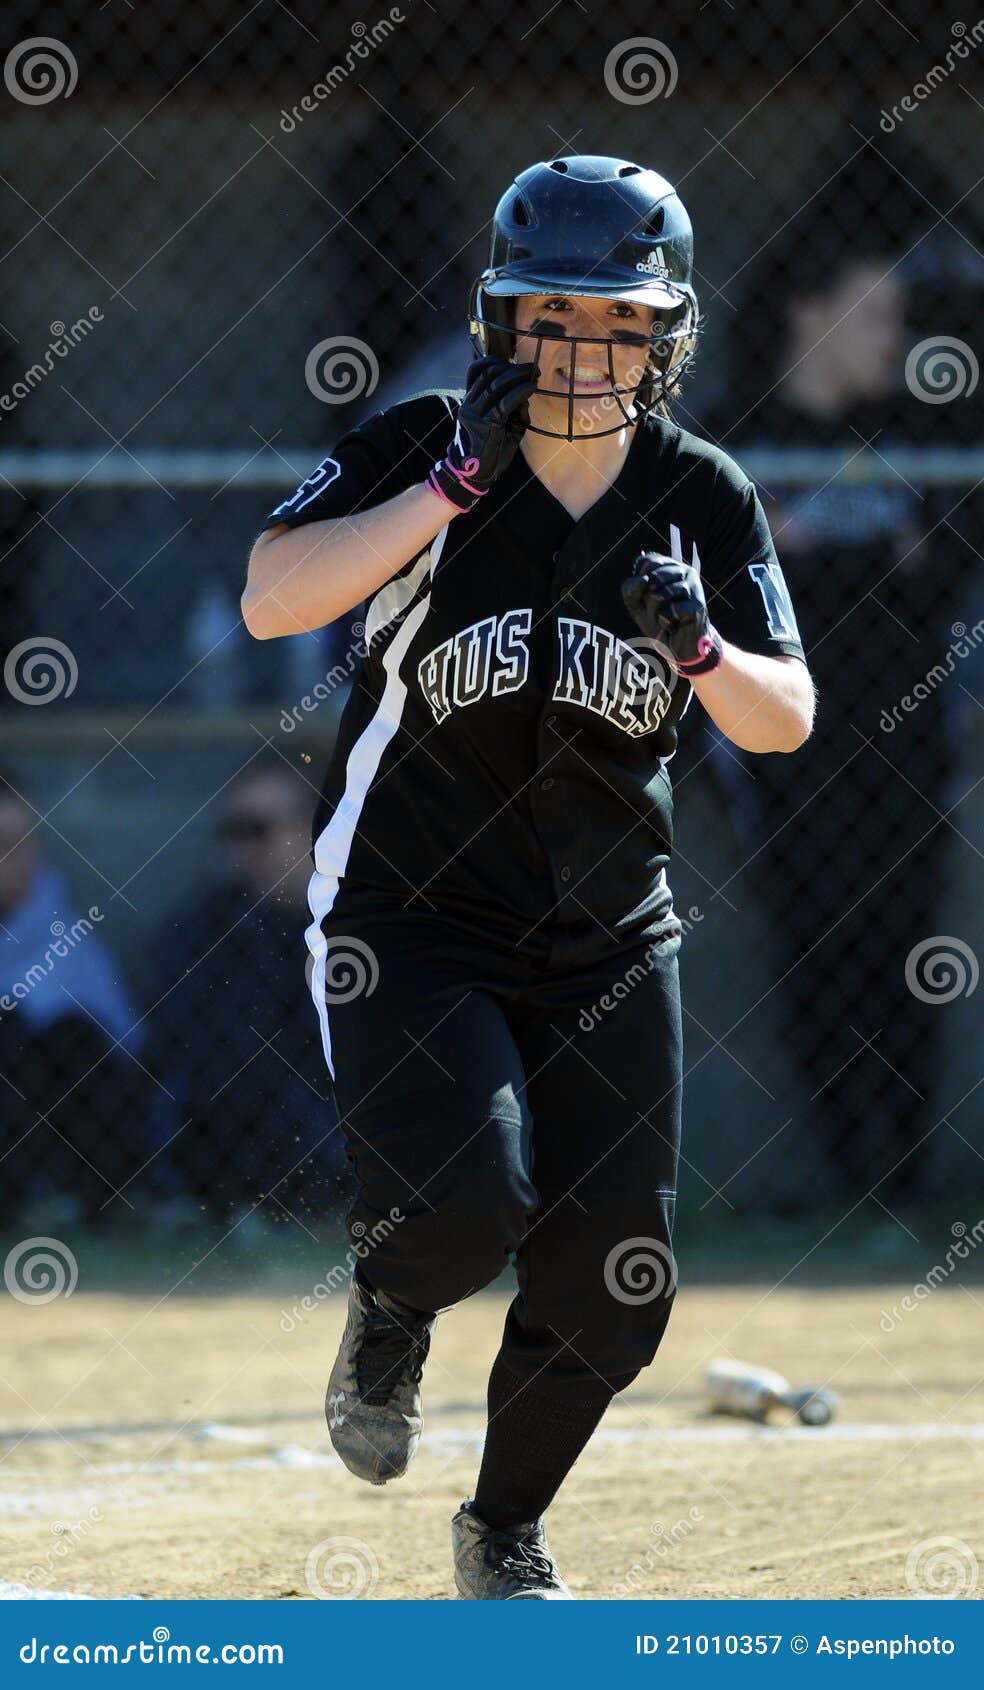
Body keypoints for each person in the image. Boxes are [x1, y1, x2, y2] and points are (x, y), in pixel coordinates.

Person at [242, 155, 814, 1599]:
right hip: (409, 915)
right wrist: (446, 491)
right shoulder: (423, 440)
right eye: (552, 314)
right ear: (501, 324)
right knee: (460, 1207)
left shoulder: (704, 495)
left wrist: (698, 648)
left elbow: (785, 716)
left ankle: (501, 1528)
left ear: (667, 337)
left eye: (619, 320)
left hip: (611, 930)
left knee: (618, 1283)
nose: (582, 349)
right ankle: (391, 1297)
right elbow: (271, 597)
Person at [719, 237, 968, 1208]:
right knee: (818, 948)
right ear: (806, 314)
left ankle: (906, 1190)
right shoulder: (738, 432)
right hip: (788, 750)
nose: (894, 341)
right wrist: (870, 568)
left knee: (910, 951)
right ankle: (846, 1189)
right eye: (872, 317)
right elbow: (745, 592)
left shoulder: (912, 432)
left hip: (907, 745)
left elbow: (941, 576)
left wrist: (818, 556)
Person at [144, 759, 348, 1230]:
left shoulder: (355, 925)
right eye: (231, 832)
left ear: (309, 829)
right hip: (232, 1134)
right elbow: (186, 1050)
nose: (241, 849)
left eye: (257, 830)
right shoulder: (202, 931)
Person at [0, 772, 151, 1226]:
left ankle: (66, 1201)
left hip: (63, 1125)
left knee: (66, 1036)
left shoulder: (67, 938)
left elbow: (127, 1050)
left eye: (19, 845)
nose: (12, 861)